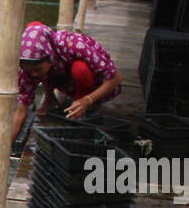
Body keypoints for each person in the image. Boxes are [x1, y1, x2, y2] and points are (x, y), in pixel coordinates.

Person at [9, 21, 123, 151]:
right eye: (30, 70)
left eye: (38, 69)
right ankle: (50, 98)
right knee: (34, 26)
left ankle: (81, 103)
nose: (33, 74)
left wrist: (87, 100)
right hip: (64, 80)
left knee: (80, 69)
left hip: (96, 83)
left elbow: (116, 78)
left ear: (49, 56)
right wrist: (3, 149)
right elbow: (21, 111)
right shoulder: (29, 67)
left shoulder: (75, 45)